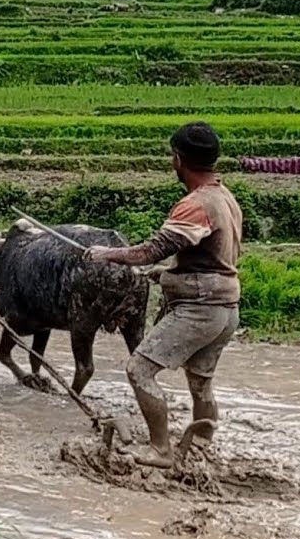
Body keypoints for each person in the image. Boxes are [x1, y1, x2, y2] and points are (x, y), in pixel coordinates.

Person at [86, 122, 242, 469]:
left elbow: (150, 250)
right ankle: (201, 445)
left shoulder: (195, 204)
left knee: (139, 369)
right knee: (201, 382)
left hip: (199, 309)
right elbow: (214, 258)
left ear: (177, 159)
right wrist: (168, 275)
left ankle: (161, 450)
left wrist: (105, 253)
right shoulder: (225, 197)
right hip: (226, 308)